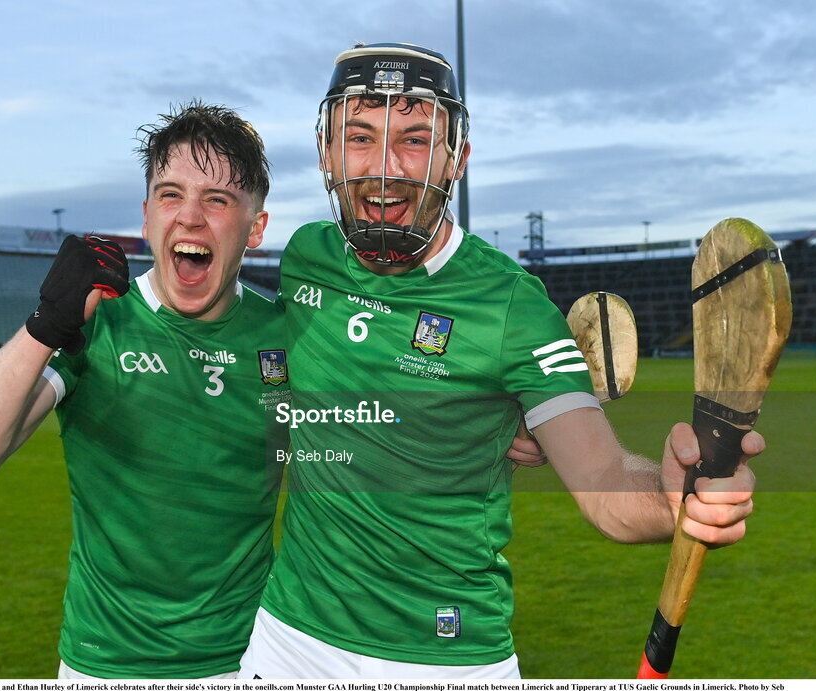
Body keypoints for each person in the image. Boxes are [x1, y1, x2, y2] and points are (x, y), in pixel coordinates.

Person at [237, 43, 762, 679]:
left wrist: (678, 499)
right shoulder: (306, 255)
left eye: (414, 139)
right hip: (287, 639)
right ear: (324, 151)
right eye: (359, 137)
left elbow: (606, 487)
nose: (383, 169)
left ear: (457, 157)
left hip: (444, 657)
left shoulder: (512, 306)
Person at [0, 103, 290, 679]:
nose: (189, 217)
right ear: (147, 217)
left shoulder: (286, 333)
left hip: (250, 661)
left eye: (217, 200)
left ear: (256, 228)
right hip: (105, 664)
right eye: (171, 195)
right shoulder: (95, 323)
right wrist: (45, 327)